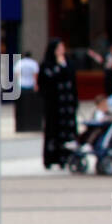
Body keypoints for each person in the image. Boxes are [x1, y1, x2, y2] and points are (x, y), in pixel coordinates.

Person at [37, 38, 78, 169]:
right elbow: (45, 83)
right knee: (52, 132)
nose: (61, 51)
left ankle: (67, 157)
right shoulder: (47, 65)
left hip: (67, 105)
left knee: (68, 132)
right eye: (58, 48)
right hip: (53, 105)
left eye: (62, 48)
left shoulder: (68, 63)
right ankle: (51, 158)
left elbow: (72, 81)